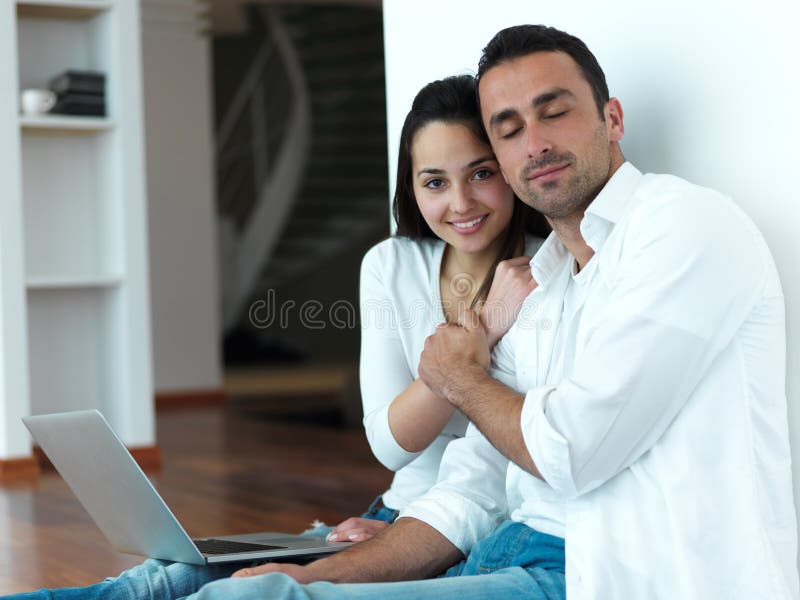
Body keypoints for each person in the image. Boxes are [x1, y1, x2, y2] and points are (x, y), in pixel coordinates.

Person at [160, 24, 796, 600]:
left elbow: (570, 451)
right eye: (510, 129)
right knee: (192, 582)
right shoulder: (542, 281)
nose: (536, 143)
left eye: (555, 113)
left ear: (612, 118)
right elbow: (471, 487)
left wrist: (461, 373)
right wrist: (311, 574)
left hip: (607, 571)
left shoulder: (681, 225)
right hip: (501, 548)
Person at [5, 75, 547, 599]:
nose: (460, 203)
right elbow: (390, 444)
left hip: (461, 535)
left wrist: (409, 542)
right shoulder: (392, 263)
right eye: (434, 181)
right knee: (161, 578)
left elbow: (512, 468)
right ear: (410, 186)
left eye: (480, 174)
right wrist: (475, 337)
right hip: (386, 517)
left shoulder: (550, 271)